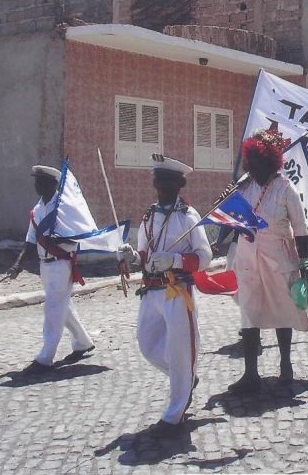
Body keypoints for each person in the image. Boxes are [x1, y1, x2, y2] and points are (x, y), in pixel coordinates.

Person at [117, 154, 212, 438]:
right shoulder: (150, 215)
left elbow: (204, 257)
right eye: (157, 180)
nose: (160, 186)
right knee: (147, 344)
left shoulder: (189, 217)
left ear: (178, 184)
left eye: (167, 181)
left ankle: (175, 414)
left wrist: (175, 260)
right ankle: (186, 379)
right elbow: (146, 254)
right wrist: (132, 256)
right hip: (151, 290)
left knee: (181, 350)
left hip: (176, 290)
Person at [227, 129, 308, 394]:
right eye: (251, 164)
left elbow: (300, 228)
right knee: (249, 313)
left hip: (279, 258)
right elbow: (234, 221)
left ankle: (285, 364)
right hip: (248, 257)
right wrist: (230, 201)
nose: (254, 169)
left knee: (282, 311)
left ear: (271, 163)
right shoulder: (244, 188)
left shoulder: (286, 188)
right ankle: (250, 373)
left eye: (259, 164)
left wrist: (304, 261)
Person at [8, 165, 96, 375]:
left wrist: (57, 239)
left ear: (52, 184)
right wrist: (19, 262)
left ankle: (46, 357)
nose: (37, 185)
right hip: (44, 265)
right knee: (61, 306)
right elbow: (30, 239)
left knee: (53, 307)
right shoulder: (38, 210)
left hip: (61, 264)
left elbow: (80, 236)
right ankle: (83, 341)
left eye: (41, 182)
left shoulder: (65, 208)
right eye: (36, 181)